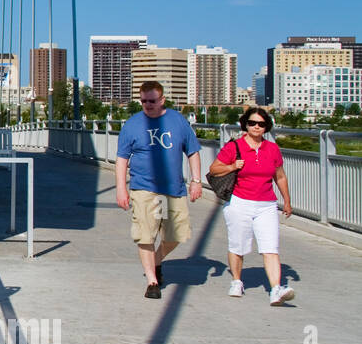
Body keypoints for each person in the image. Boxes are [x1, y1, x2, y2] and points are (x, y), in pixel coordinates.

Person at [115, 81, 202, 299]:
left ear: (162, 100)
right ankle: (152, 281)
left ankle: (156, 261)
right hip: (144, 188)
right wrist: (121, 189)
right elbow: (122, 159)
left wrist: (196, 181)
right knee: (146, 234)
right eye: (143, 101)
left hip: (172, 190)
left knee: (175, 235)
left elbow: (192, 151)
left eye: (152, 101)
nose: (147, 105)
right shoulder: (132, 125)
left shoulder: (177, 121)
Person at [208, 107, 294, 305]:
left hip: (267, 204)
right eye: (252, 123)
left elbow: (279, 176)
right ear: (245, 125)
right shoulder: (234, 147)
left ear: (266, 127)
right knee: (238, 245)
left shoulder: (272, 149)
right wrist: (232, 166)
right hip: (240, 202)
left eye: (261, 124)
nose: (256, 127)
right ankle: (237, 281)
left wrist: (287, 201)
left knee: (270, 247)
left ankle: (275, 289)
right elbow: (214, 169)